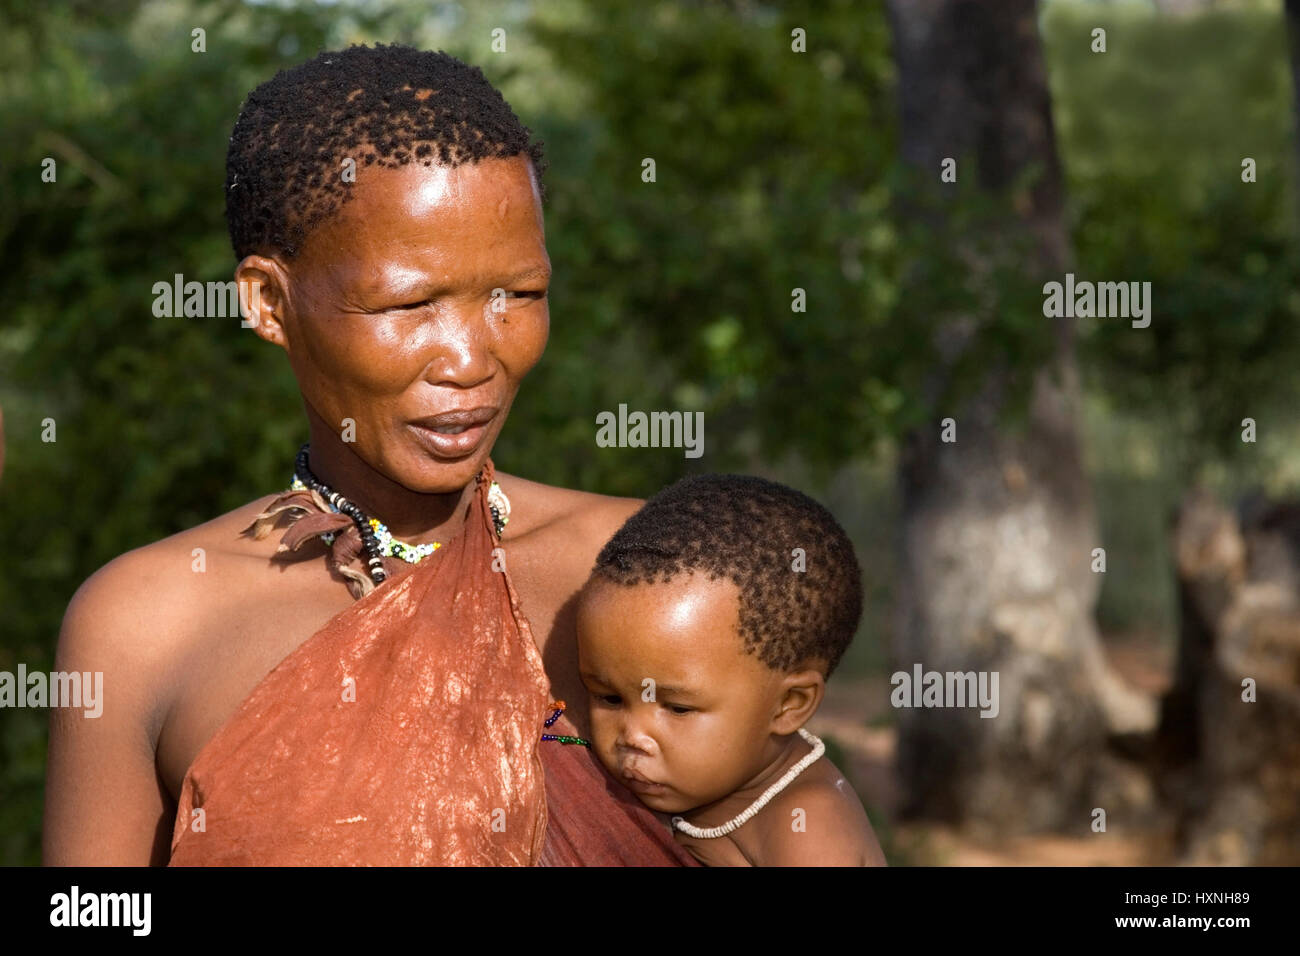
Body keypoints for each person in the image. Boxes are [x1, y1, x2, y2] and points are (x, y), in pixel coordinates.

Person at [43, 44, 696, 866]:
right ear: (270, 302)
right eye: (408, 302)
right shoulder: (145, 626)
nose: (470, 359)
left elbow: (797, 817)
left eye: (519, 296)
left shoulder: (650, 574)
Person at [575, 474, 888, 866]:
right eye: (609, 697)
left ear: (789, 705)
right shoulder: (714, 787)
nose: (633, 737)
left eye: (677, 708)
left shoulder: (806, 828)